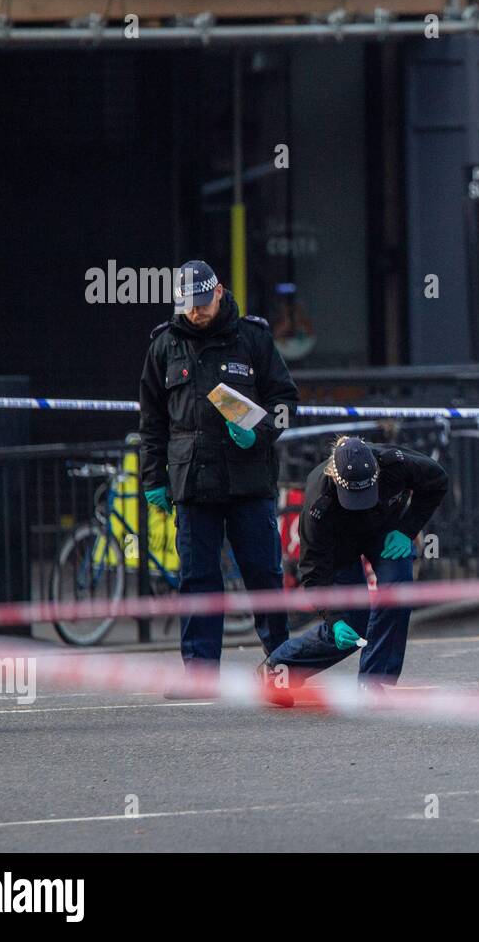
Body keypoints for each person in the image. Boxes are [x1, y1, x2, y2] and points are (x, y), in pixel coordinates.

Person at [138, 261, 298, 694]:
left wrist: (259, 434)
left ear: (220, 292)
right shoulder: (164, 346)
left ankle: (282, 667)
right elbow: (152, 422)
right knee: (197, 579)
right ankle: (199, 674)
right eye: (188, 306)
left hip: (249, 480)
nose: (196, 313)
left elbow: (285, 400)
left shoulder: (253, 338)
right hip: (193, 481)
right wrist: (154, 478)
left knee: (263, 575)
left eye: (202, 303)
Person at [260, 436, 449, 687]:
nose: (359, 503)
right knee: (351, 626)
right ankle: (278, 668)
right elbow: (313, 571)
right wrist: (334, 619)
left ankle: (374, 683)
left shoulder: (397, 463)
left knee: (398, 589)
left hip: (386, 532)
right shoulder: (319, 500)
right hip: (340, 546)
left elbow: (438, 481)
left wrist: (407, 530)